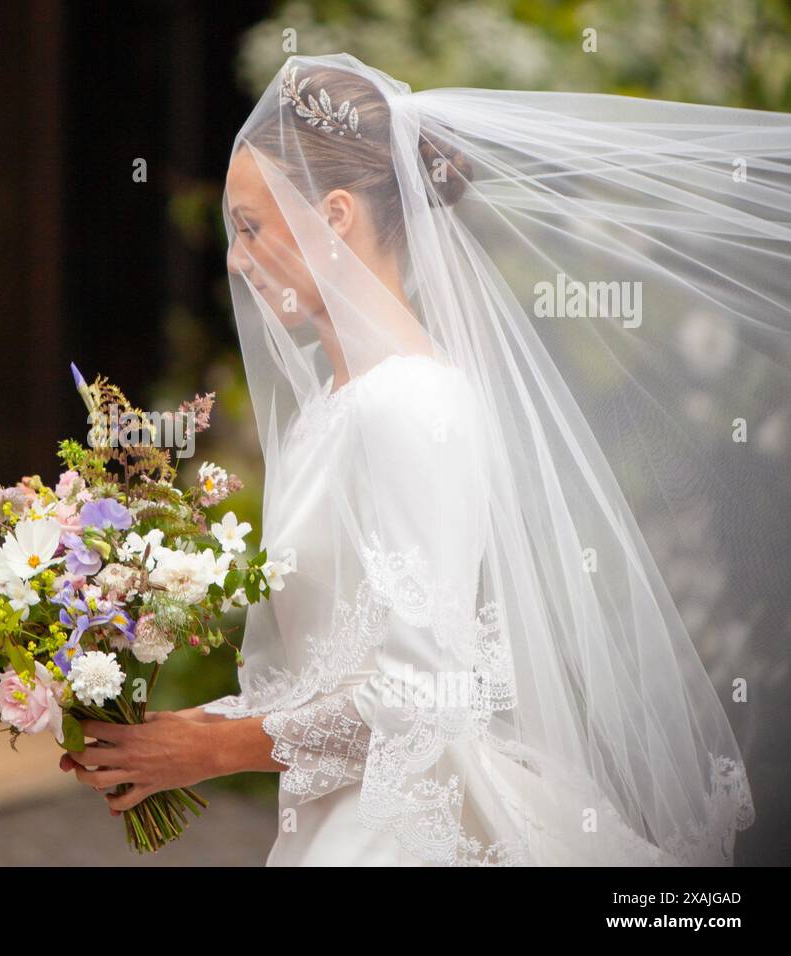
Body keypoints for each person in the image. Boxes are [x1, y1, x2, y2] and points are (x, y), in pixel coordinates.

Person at [63, 53, 783, 865]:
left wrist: (212, 749)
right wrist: (160, 734)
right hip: (338, 809)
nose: (233, 259)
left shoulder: (410, 405)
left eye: (251, 227)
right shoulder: (331, 411)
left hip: (404, 828)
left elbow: (424, 692)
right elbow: (326, 670)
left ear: (334, 216)